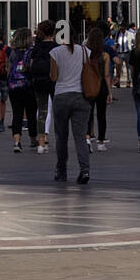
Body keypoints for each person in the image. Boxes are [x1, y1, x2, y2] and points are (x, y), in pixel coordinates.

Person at [49, 30, 91, 184]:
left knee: (61, 136)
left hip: (61, 96)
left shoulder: (54, 52)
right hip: (81, 96)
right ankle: (85, 170)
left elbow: (53, 77)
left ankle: (61, 170)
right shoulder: (85, 51)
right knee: (80, 136)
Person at [29, 19, 56, 153]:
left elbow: (31, 65)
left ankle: (40, 143)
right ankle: (56, 138)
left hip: (39, 81)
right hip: (53, 81)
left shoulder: (37, 48)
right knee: (58, 112)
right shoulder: (56, 47)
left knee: (41, 111)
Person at [6, 28, 36, 152]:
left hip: (14, 87)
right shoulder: (32, 52)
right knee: (31, 114)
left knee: (17, 114)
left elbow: (8, 69)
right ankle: (33, 138)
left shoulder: (13, 52)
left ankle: (17, 141)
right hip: (28, 86)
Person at [86, 26, 112, 151]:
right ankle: (101, 142)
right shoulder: (105, 55)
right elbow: (107, 75)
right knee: (102, 114)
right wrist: (110, 92)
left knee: (88, 114)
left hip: (88, 85)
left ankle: (87, 138)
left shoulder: (85, 54)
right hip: (101, 86)